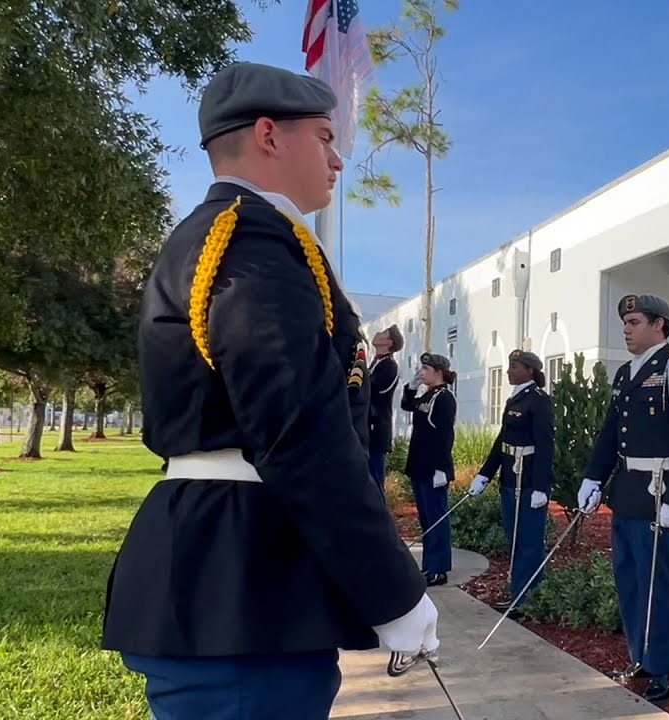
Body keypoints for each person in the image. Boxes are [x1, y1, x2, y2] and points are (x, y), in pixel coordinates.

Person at [101, 62, 438, 720]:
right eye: (323, 136)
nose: (339, 159)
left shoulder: (255, 238)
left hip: (244, 570)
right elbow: (299, 432)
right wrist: (391, 592)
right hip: (242, 580)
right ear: (268, 135)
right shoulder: (244, 239)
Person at [577, 294, 669, 703]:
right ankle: (642, 655)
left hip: (661, 491)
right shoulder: (625, 374)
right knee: (631, 579)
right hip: (629, 490)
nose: (626, 327)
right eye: (625, 321)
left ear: (660, 325)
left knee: (659, 583)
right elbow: (610, 432)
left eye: (634, 321)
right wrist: (592, 478)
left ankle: (665, 666)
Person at [470, 350, 556, 617]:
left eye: (514, 366)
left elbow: (546, 446)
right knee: (515, 539)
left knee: (529, 542)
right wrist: (485, 474)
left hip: (528, 481)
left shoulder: (539, 401)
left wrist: (541, 486)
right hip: (510, 477)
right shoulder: (514, 398)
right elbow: (502, 441)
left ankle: (527, 599)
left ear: (530, 370)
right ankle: (518, 593)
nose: (508, 371)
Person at [402, 352, 457, 587]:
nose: (421, 373)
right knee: (426, 519)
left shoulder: (444, 398)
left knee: (437, 518)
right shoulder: (428, 395)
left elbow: (444, 435)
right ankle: (429, 565)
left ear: (439, 373)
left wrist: (441, 468)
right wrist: (410, 387)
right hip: (420, 466)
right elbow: (408, 405)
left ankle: (439, 568)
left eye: (426, 369)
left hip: (433, 468)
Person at [368, 325, 404, 492]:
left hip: (376, 430)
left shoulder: (389, 366)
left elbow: (373, 389)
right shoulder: (376, 362)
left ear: (389, 342)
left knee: (375, 483)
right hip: (367, 430)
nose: (377, 333)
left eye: (383, 333)